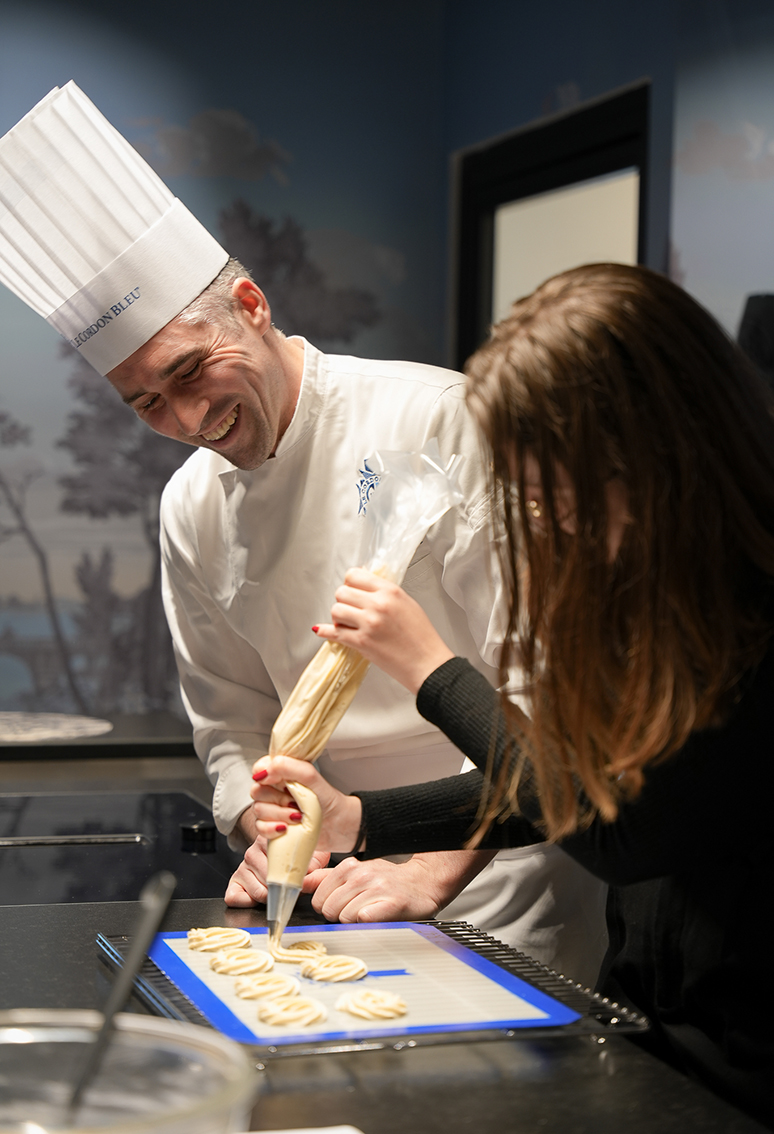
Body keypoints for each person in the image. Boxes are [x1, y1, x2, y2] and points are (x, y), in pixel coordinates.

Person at [249, 263, 774, 1129]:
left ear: (654, 456)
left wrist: (431, 670)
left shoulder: (748, 609)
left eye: (560, 496)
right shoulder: (646, 582)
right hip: (645, 1027)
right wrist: (361, 821)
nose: (554, 525)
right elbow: (572, 783)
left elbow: (617, 826)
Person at [106, 255, 608, 985]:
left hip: (506, 874)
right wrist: (273, 828)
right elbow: (230, 718)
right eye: (146, 402)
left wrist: (430, 872)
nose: (185, 418)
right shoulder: (191, 504)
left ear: (253, 304)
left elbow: (544, 690)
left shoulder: (443, 418)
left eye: (189, 371)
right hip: (337, 876)